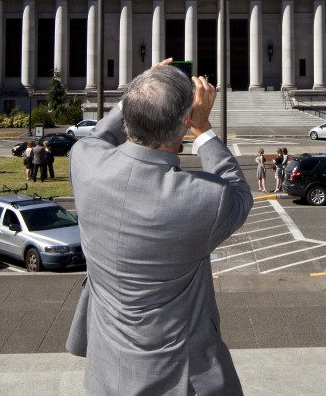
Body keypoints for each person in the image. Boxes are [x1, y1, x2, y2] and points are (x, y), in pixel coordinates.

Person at [66, 61, 253, 395]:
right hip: (183, 378)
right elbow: (239, 192)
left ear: (129, 115)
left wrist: (141, 91)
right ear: (184, 123)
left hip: (107, 373)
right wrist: (204, 128)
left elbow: (100, 136)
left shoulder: (85, 162)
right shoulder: (202, 198)